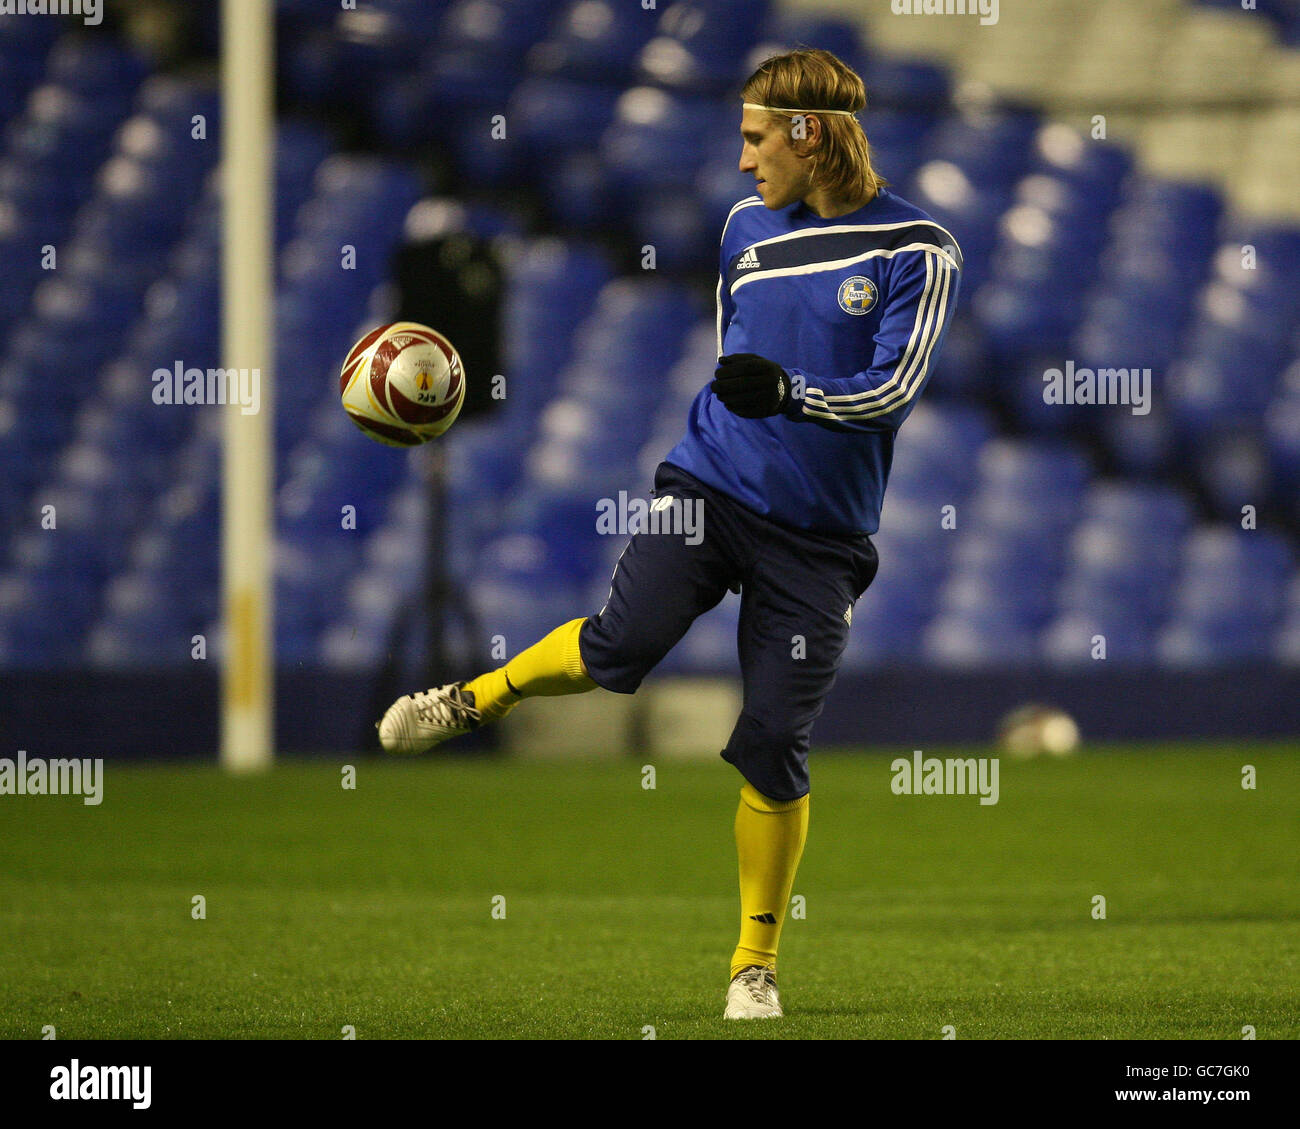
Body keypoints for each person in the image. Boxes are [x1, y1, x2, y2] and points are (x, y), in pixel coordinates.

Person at [378, 47, 963, 1020]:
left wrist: (795, 393)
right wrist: (753, 404)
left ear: (807, 134)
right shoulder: (745, 229)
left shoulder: (917, 247)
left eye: (754, 138)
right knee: (621, 647)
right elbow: (741, 356)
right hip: (709, 485)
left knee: (774, 737)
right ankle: (471, 700)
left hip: (819, 539)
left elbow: (896, 389)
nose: (742, 163)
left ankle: (751, 966)